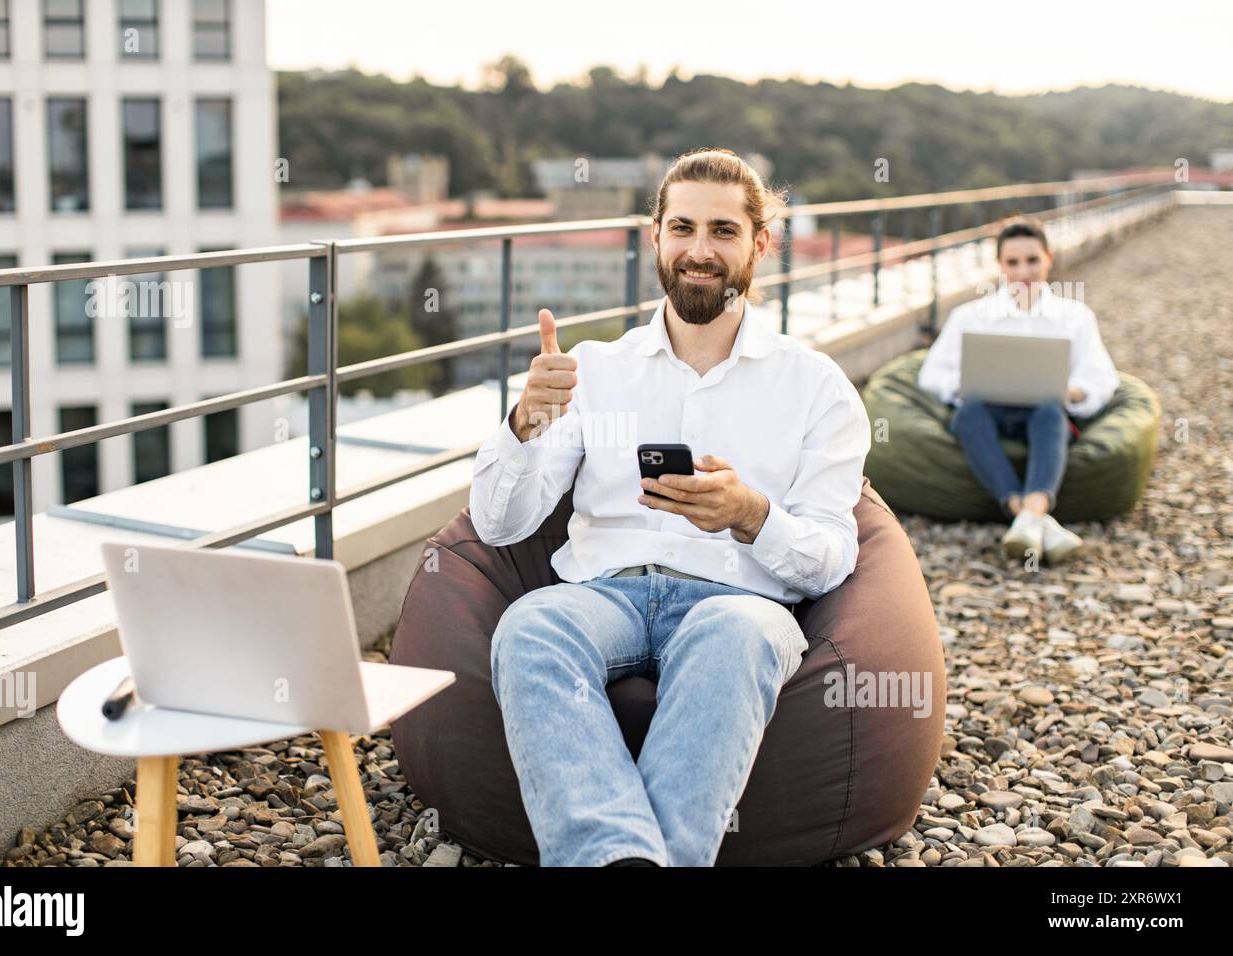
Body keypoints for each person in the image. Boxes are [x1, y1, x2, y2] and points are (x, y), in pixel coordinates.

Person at [468, 148, 871, 867]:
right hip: (604, 593)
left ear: (760, 245)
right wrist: (526, 421)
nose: (699, 250)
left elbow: (833, 556)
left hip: (736, 597)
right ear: (655, 236)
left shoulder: (818, 387)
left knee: (737, 634)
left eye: (723, 231)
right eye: (682, 227)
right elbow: (500, 526)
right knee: (528, 628)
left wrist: (752, 513)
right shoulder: (593, 369)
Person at [917, 215, 1120, 564]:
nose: (1023, 271)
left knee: (1050, 412)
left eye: (1032, 260)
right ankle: (1036, 519)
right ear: (999, 265)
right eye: (1012, 262)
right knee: (969, 413)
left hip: (1045, 414)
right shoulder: (971, 315)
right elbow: (931, 375)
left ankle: (1024, 516)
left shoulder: (1076, 316)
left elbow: (1102, 381)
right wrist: (965, 386)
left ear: (1049, 259)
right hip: (987, 412)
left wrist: (1072, 391)